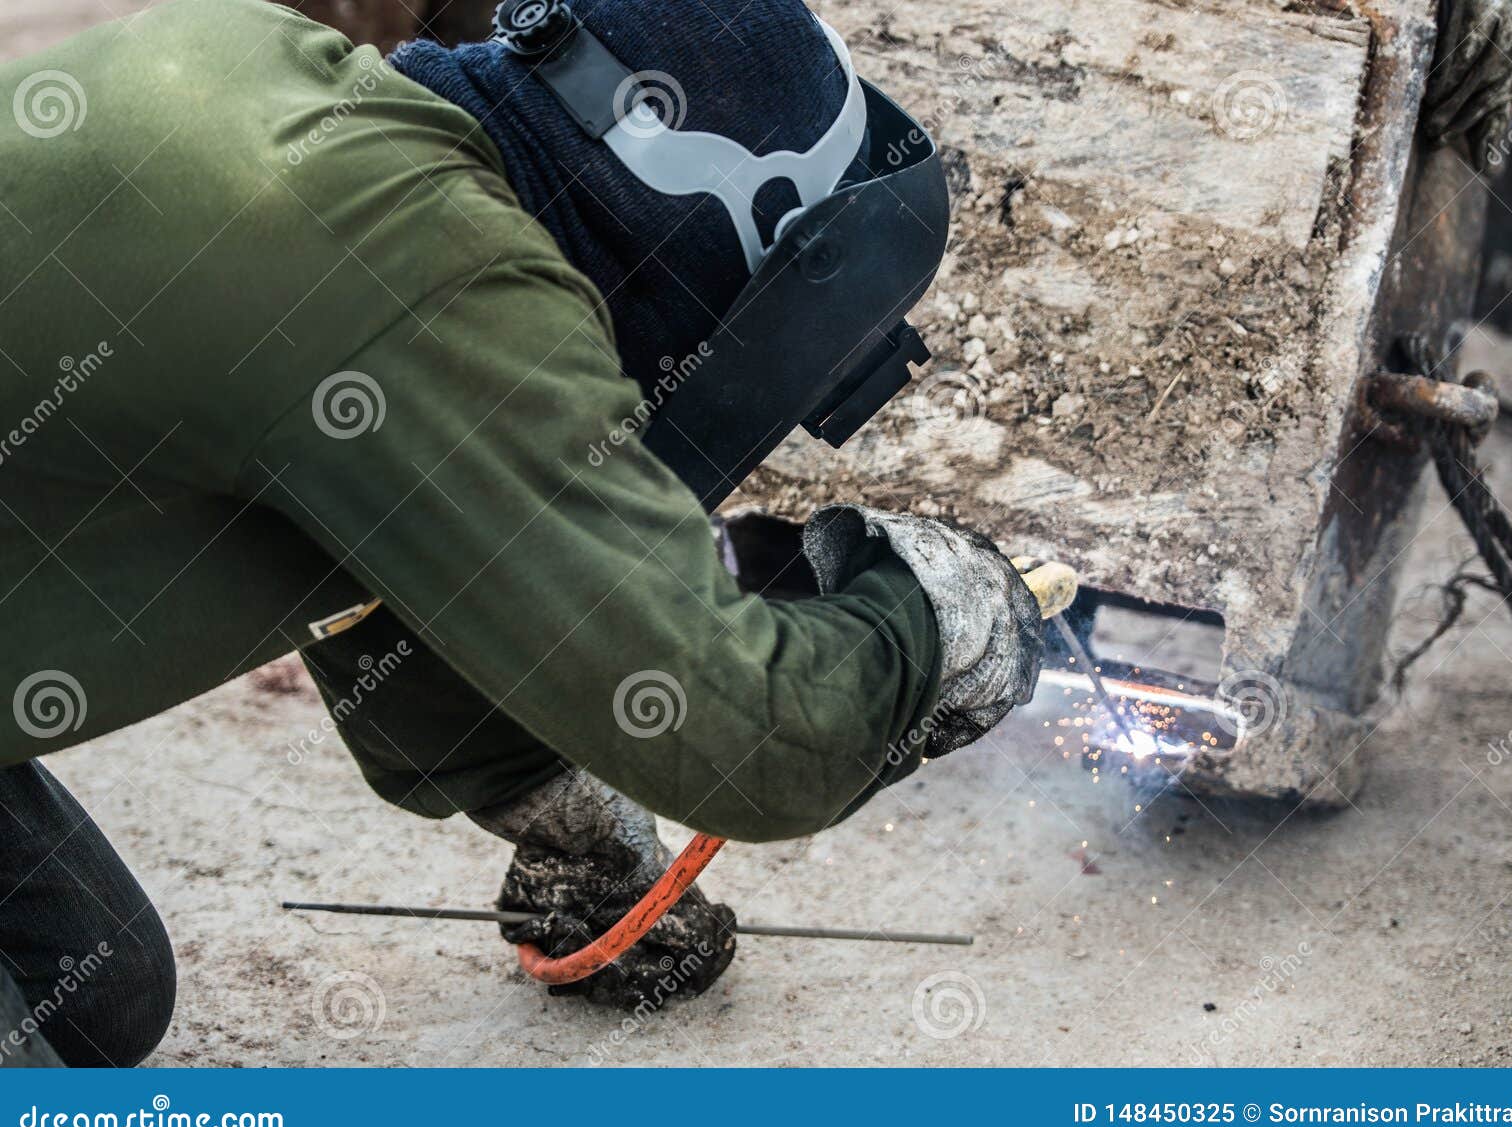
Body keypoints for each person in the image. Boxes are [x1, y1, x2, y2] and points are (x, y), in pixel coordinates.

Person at [0, 0, 1044, 1064]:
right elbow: (751, 740)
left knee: (86, 1000)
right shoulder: (414, 272)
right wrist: (928, 619)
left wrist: (547, 804)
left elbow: (390, 531)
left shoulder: (276, 80)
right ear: (708, 222)